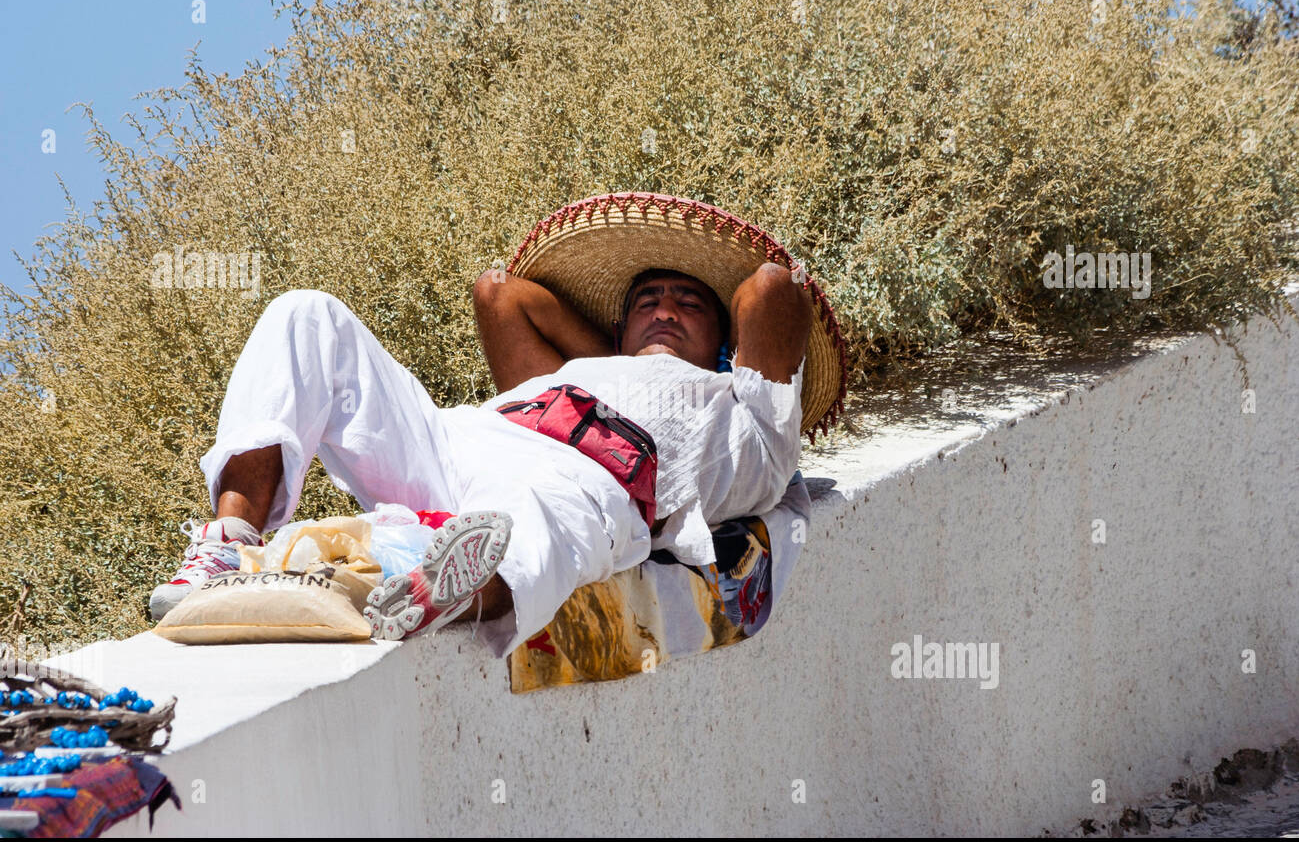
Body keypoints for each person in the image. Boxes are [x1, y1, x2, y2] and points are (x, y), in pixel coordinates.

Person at [150, 193, 844, 657]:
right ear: (617, 328)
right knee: (308, 316)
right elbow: (499, 293)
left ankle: (441, 590)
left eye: (689, 302)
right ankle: (227, 544)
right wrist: (613, 358)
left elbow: (770, 287)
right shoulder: (581, 372)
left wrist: (667, 353)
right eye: (647, 301)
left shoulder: (748, 415)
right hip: (466, 442)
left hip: (596, 479)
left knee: (536, 525)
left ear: (728, 345)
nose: (665, 308)